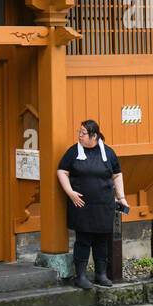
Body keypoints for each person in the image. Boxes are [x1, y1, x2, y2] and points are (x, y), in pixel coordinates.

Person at [57, 119, 129, 289]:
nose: (79, 136)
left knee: (102, 240)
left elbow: (117, 175)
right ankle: (80, 276)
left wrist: (121, 197)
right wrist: (70, 192)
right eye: (79, 132)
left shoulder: (108, 153)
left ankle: (101, 274)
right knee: (83, 239)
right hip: (82, 204)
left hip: (104, 204)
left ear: (94, 136)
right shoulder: (73, 152)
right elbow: (61, 171)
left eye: (83, 133)